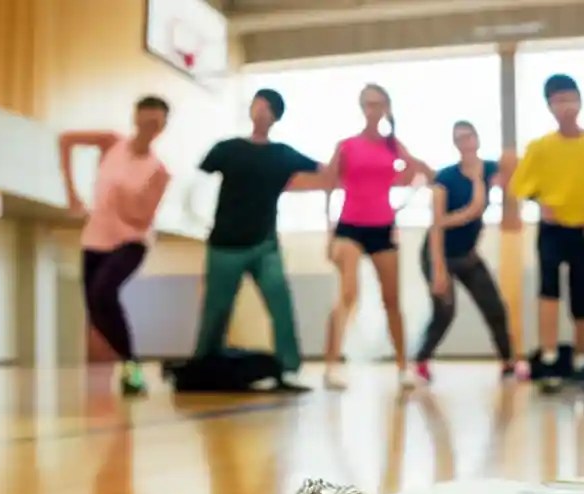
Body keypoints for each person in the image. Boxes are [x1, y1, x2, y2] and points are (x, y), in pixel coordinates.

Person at [186, 88, 327, 392]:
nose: (261, 111)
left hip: (264, 246)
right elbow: (197, 181)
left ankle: (288, 369)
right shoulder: (227, 148)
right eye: (257, 105)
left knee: (281, 304)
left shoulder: (283, 154)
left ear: (275, 116)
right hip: (224, 245)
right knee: (216, 310)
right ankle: (202, 368)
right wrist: (195, 220)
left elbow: (327, 172)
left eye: (267, 108)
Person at [509, 73, 584, 391]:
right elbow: (520, 185)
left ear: (580, 102)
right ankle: (549, 356)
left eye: (570, 99)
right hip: (552, 229)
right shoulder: (541, 147)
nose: (566, 107)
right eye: (559, 101)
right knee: (549, 289)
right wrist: (540, 202)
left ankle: (581, 356)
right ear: (549, 106)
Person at [322, 83, 433, 391]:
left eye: (379, 104)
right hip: (349, 227)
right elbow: (330, 184)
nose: (374, 109)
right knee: (348, 294)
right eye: (369, 104)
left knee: (392, 299)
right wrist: (329, 232)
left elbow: (420, 172)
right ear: (362, 107)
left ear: (387, 108)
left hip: (382, 227)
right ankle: (331, 366)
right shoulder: (346, 145)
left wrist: (405, 197)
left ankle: (402, 368)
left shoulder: (393, 146)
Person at [59, 95, 172, 396]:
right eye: (145, 119)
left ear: (162, 128)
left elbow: (141, 218)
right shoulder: (111, 143)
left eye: (156, 123)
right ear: (135, 118)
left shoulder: (158, 171)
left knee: (104, 291)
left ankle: (132, 367)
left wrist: (127, 201)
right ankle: (129, 365)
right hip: (95, 238)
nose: (149, 127)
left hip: (131, 241)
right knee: (95, 308)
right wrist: (71, 192)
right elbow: (66, 140)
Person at [413, 120, 517, 383]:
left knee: (494, 307)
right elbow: (438, 226)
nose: (465, 143)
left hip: (467, 255)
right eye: (459, 139)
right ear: (455, 144)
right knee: (445, 312)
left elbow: (509, 177)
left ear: (477, 139)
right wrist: (438, 270)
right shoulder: (446, 178)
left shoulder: (490, 168)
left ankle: (508, 363)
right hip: (438, 253)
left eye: (469, 137)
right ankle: (420, 361)